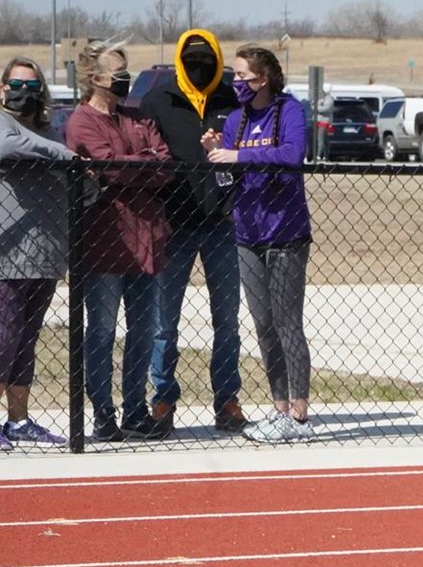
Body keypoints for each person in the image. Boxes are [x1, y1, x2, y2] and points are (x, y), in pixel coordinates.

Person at [203, 45, 317, 443]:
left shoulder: (288, 111)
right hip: (246, 234)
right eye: (234, 77)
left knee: (288, 324)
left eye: (243, 77)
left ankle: (299, 416)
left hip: (285, 232)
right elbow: (227, 180)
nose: (237, 84)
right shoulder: (235, 120)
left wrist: (238, 156)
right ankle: (279, 409)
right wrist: (217, 156)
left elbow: (292, 153)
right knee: (264, 326)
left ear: (264, 79)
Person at [143, 27, 249, 438]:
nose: (201, 65)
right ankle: (163, 399)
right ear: (180, 60)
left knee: (227, 321)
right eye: (193, 59)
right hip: (175, 226)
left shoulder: (231, 101)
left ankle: (227, 400)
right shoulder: (158, 100)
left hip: (224, 226)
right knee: (163, 323)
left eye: (208, 59)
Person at [65, 39, 172, 444]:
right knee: (103, 331)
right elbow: (107, 166)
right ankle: (102, 413)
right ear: (96, 79)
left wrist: (129, 166)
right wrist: (134, 165)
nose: (126, 81)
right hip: (104, 239)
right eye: (119, 75)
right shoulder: (81, 121)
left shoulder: (136, 114)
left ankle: (135, 410)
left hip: (148, 237)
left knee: (144, 330)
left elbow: (163, 165)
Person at [0, 56, 72, 450]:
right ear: (2, 87)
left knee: (26, 340)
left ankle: (19, 420)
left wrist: (63, 156)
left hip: (45, 253)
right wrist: (63, 155)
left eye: (31, 86)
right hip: (7, 255)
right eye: (15, 84)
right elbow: (8, 145)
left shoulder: (48, 131)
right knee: (3, 338)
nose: (22, 93)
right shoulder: (4, 124)